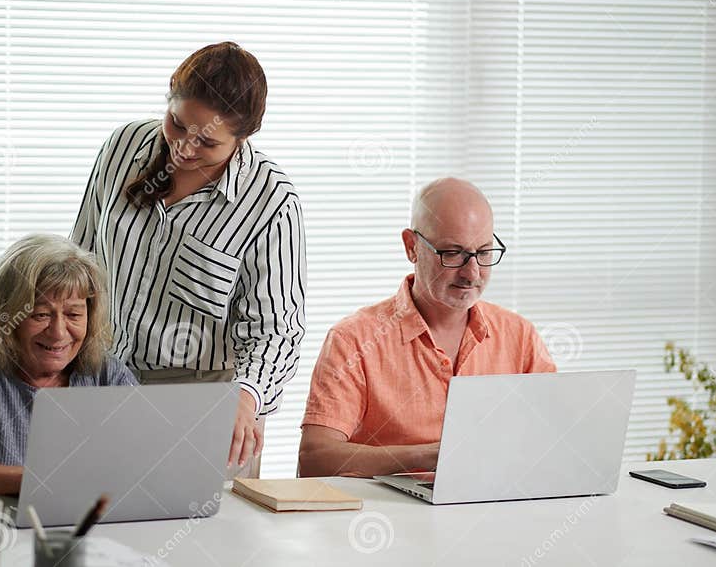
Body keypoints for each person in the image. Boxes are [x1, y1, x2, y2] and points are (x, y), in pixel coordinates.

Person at [71, 42, 306, 475]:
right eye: (176, 124)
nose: (183, 148)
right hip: (97, 383)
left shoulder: (271, 201)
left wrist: (246, 397)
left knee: (204, 540)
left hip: (202, 405)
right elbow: (77, 261)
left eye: (206, 142)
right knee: (86, 530)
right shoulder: (122, 148)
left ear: (243, 137)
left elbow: (277, 330)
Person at [298, 178, 556, 477]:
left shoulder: (520, 335)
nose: (472, 272)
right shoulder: (354, 339)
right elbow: (315, 458)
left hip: (494, 509)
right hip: (390, 516)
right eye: (452, 253)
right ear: (412, 247)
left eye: (484, 252)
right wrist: (426, 456)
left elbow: (555, 440)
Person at [0, 234, 136, 494]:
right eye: (40, 314)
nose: (58, 333)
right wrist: (55, 482)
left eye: (74, 314)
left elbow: (147, 456)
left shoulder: (108, 374)